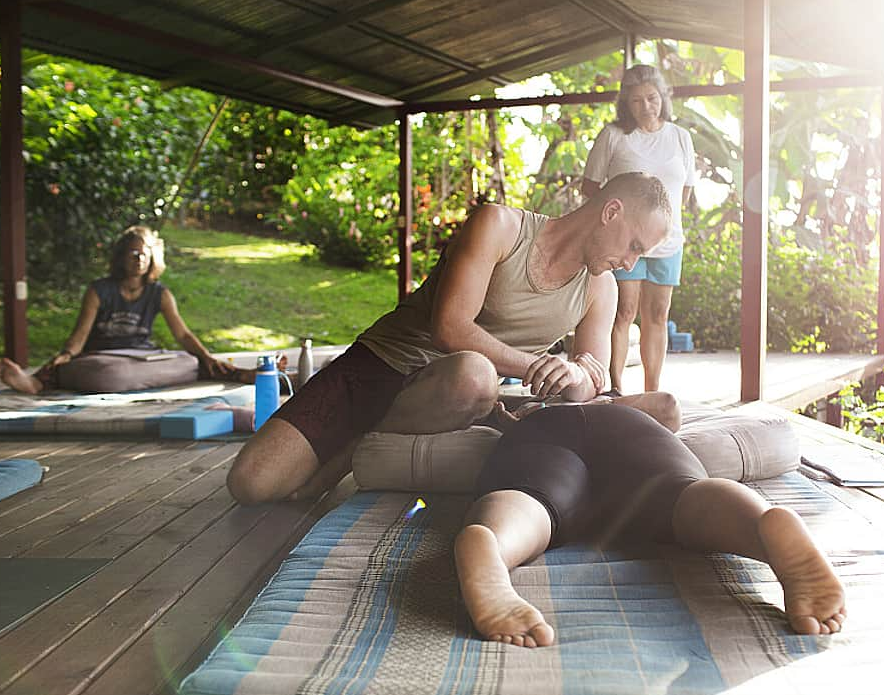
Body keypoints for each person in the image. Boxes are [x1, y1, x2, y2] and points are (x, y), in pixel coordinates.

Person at [226, 172, 673, 507]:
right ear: (610, 211)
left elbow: (585, 382)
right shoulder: (499, 225)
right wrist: (537, 365)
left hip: (462, 393)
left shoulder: (601, 287)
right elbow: (450, 329)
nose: (631, 262)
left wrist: (573, 372)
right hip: (380, 365)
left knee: (475, 378)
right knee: (250, 484)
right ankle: (360, 431)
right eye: (634, 245)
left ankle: (350, 449)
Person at [455, 401, 847, 647]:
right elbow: (667, 404)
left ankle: (493, 543)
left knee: (535, 499)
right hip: (629, 427)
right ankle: (761, 523)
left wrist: (510, 414)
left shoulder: (522, 412)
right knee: (681, 494)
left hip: (540, 433)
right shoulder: (612, 394)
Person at [0, 225, 251, 394]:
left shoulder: (160, 293)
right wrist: (66, 355)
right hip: (103, 359)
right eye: (132, 254)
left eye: (143, 254)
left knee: (190, 361)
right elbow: (80, 335)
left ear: (152, 258)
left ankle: (242, 375)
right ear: (120, 258)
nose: (138, 259)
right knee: (102, 373)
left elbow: (183, 336)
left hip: (143, 358)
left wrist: (205, 356)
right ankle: (35, 383)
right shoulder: (99, 290)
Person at [583, 64, 698, 395]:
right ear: (626, 105)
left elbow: (684, 191)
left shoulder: (680, 137)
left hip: (667, 242)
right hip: (624, 242)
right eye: (636, 101)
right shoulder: (614, 136)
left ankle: (651, 391)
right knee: (624, 312)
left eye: (652, 98)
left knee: (659, 314)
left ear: (662, 97)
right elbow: (590, 187)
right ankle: (615, 388)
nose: (646, 106)